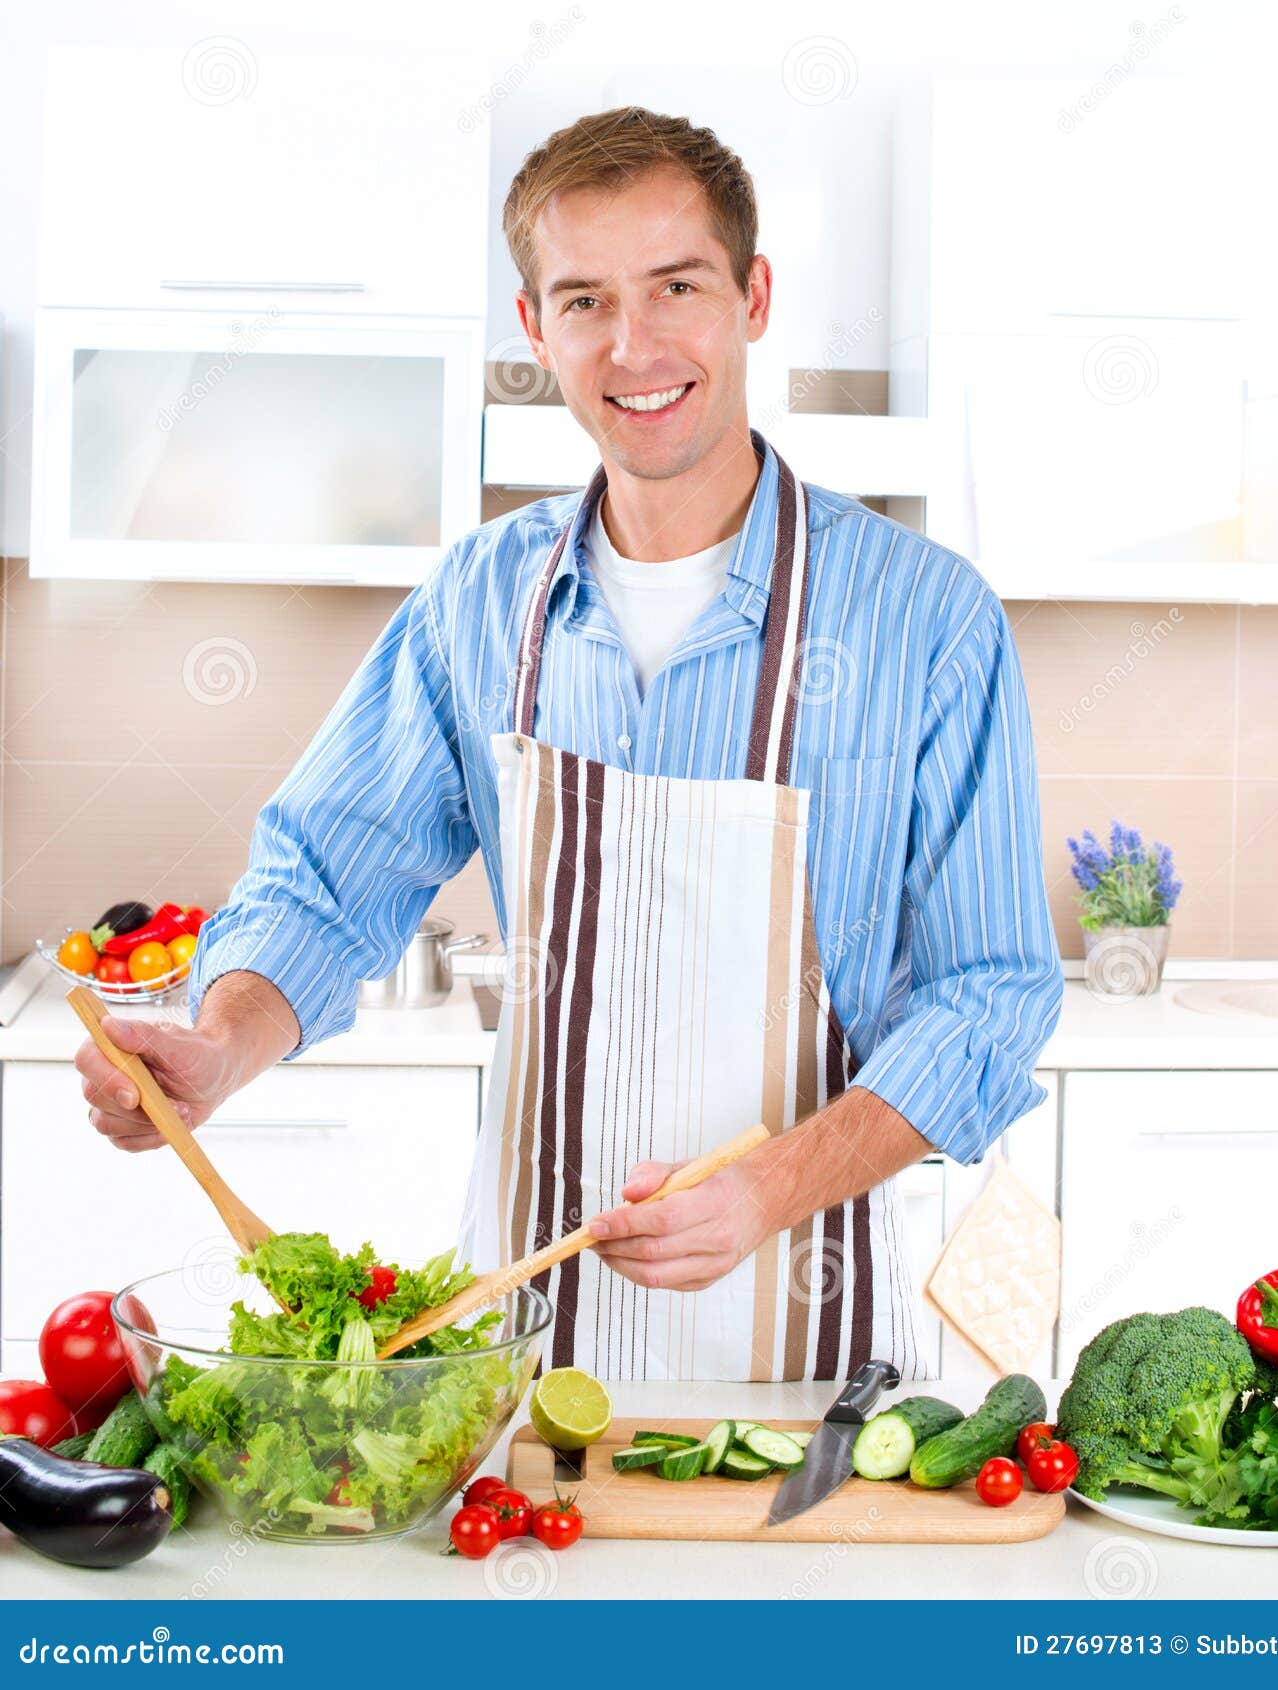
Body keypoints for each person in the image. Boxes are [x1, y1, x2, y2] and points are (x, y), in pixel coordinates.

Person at [77, 107, 1062, 1383]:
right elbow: (326, 882)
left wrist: (768, 1188)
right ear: (536, 330)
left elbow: (991, 994)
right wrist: (220, 1044)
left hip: (810, 1339)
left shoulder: (927, 620)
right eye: (585, 298)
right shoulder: (479, 603)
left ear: (753, 297)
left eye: (678, 287)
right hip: (513, 1358)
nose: (635, 344)